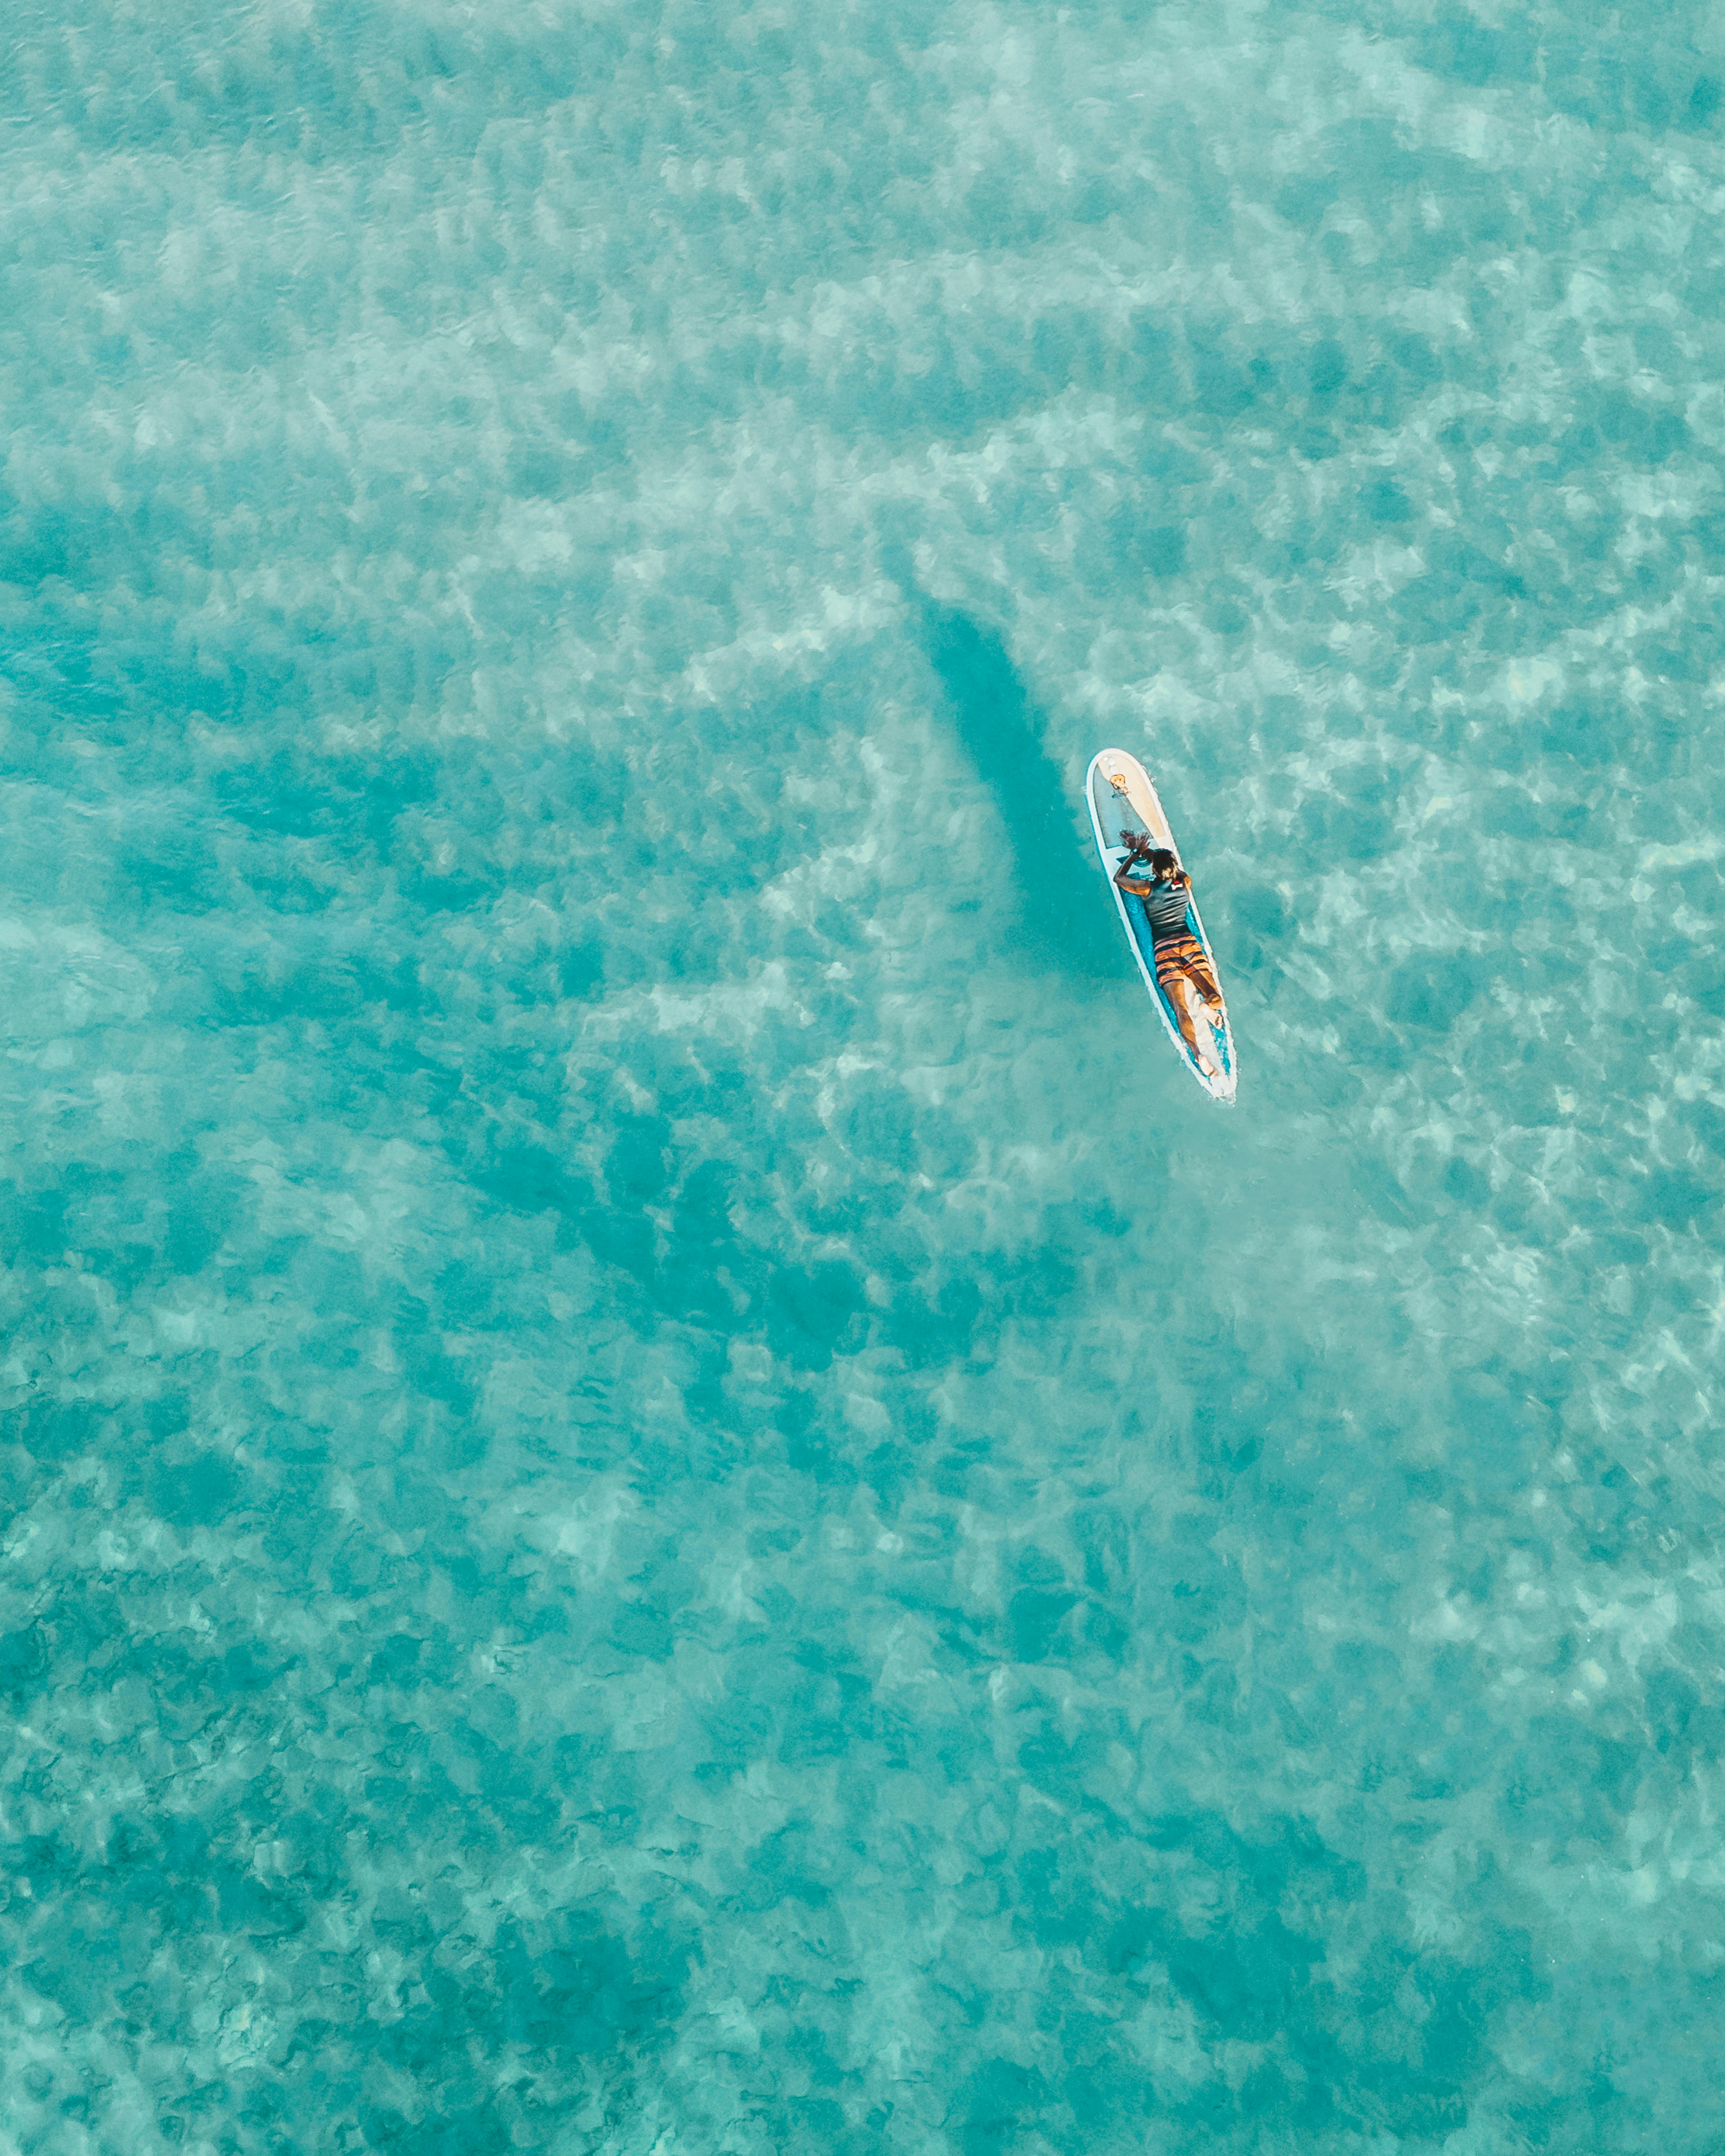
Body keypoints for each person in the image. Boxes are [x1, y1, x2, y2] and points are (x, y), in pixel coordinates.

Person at [1113, 833, 1226, 1079]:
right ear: (1174, 868)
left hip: (1165, 949)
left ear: (1154, 871)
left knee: (1180, 1008)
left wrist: (1136, 853)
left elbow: (1119, 879)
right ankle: (1207, 1006)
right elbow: (1165, 865)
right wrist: (1148, 852)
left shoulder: (1146, 888)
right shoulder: (1185, 881)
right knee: (1216, 998)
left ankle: (1198, 1053)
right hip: (1188, 945)